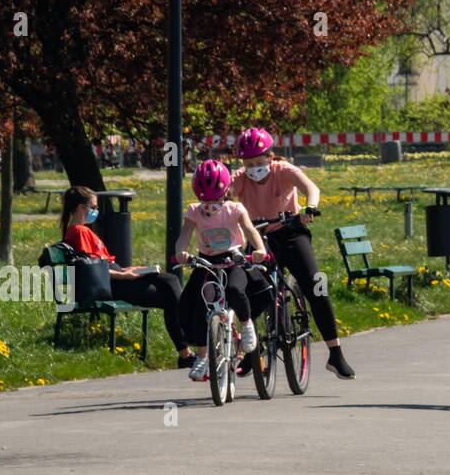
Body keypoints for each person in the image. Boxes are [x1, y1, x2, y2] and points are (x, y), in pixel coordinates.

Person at [229, 127, 354, 380]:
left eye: (258, 161)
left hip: (290, 232)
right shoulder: (241, 177)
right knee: (252, 292)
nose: (254, 167)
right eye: (248, 163)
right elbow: (223, 191)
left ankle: (335, 353)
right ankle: (253, 351)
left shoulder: (284, 170)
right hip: (259, 237)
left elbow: (312, 189)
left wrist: (310, 207)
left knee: (315, 284)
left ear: (270, 156)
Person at [60, 186, 194, 367]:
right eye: (93, 207)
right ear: (81, 208)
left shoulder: (84, 230)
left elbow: (103, 263)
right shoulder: (79, 232)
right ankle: (187, 351)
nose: (96, 211)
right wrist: (125, 276)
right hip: (112, 284)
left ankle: (187, 350)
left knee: (169, 279)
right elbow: (91, 270)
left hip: (116, 276)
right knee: (168, 296)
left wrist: (133, 270)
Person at [174, 160, 267, 382]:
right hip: (207, 261)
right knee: (192, 304)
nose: (209, 204)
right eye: (204, 199)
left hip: (232, 258)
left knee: (236, 289)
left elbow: (250, 231)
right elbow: (184, 236)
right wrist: (181, 252)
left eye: (215, 199)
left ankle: (246, 324)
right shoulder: (194, 212)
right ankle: (203, 356)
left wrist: (260, 248)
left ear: (225, 192)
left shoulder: (235, 209)